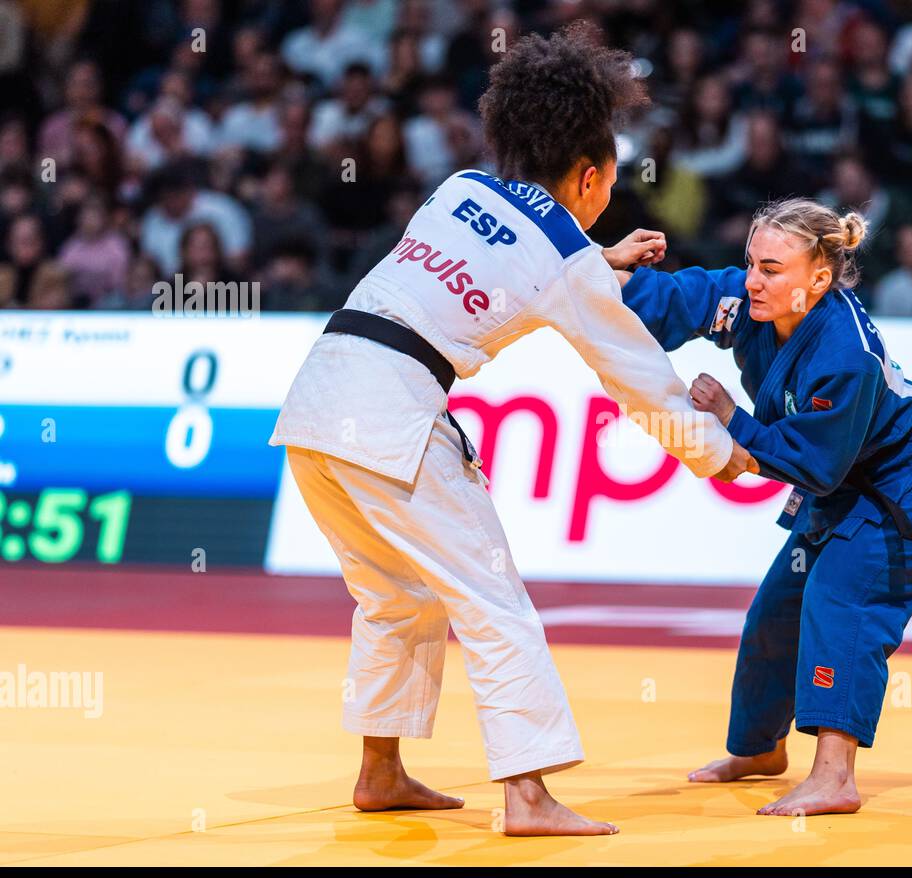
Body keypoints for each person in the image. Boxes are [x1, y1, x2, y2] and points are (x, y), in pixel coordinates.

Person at [268, 28, 756, 837]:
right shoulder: (567, 254)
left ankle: (380, 772)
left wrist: (596, 259)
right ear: (591, 175)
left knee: (394, 597)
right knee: (492, 600)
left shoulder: (459, 188)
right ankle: (527, 798)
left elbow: (506, 254)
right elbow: (640, 379)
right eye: (608, 186)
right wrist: (716, 453)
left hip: (319, 398)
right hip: (393, 414)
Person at [617, 198, 912, 815]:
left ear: (818, 278)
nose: (753, 281)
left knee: (841, 602)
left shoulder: (845, 352)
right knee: (776, 615)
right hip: (847, 487)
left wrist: (733, 422)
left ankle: (836, 775)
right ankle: (759, 748)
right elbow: (672, 298)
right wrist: (598, 271)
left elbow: (815, 463)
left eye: (771, 269)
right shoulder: (752, 302)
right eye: (751, 263)